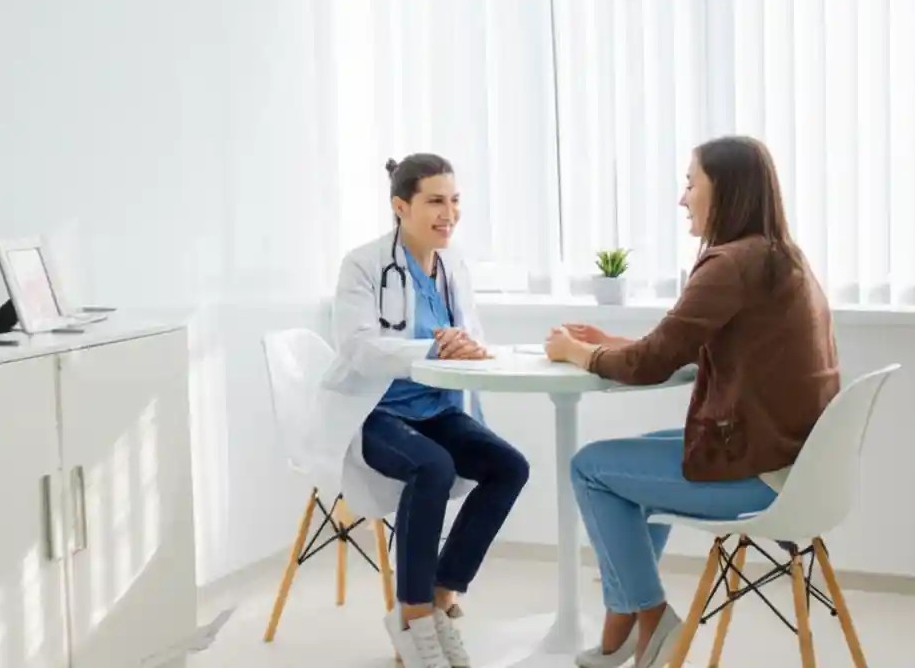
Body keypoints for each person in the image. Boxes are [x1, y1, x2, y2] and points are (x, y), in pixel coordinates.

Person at [544, 136, 840, 668]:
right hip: (795, 464)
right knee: (625, 463)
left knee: (591, 468)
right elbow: (680, 346)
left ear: (722, 189)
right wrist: (608, 344)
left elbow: (650, 366)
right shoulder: (780, 258)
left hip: (760, 474)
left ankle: (648, 617)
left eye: (690, 183)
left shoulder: (728, 264)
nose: (683, 199)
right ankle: (624, 626)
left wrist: (577, 353)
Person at [315, 153, 530, 668]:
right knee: (431, 466)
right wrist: (433, 349)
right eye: (435, 201)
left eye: (454, 201)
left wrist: (470, 347)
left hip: (437, 408)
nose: (448, 213)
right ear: (400, 206)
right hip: (376, 412)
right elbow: (358, 348)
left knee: (509, 467)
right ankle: (412, 621)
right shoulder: (363, 265)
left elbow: (468, 332)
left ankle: (440, 597)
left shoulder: (453, 264)